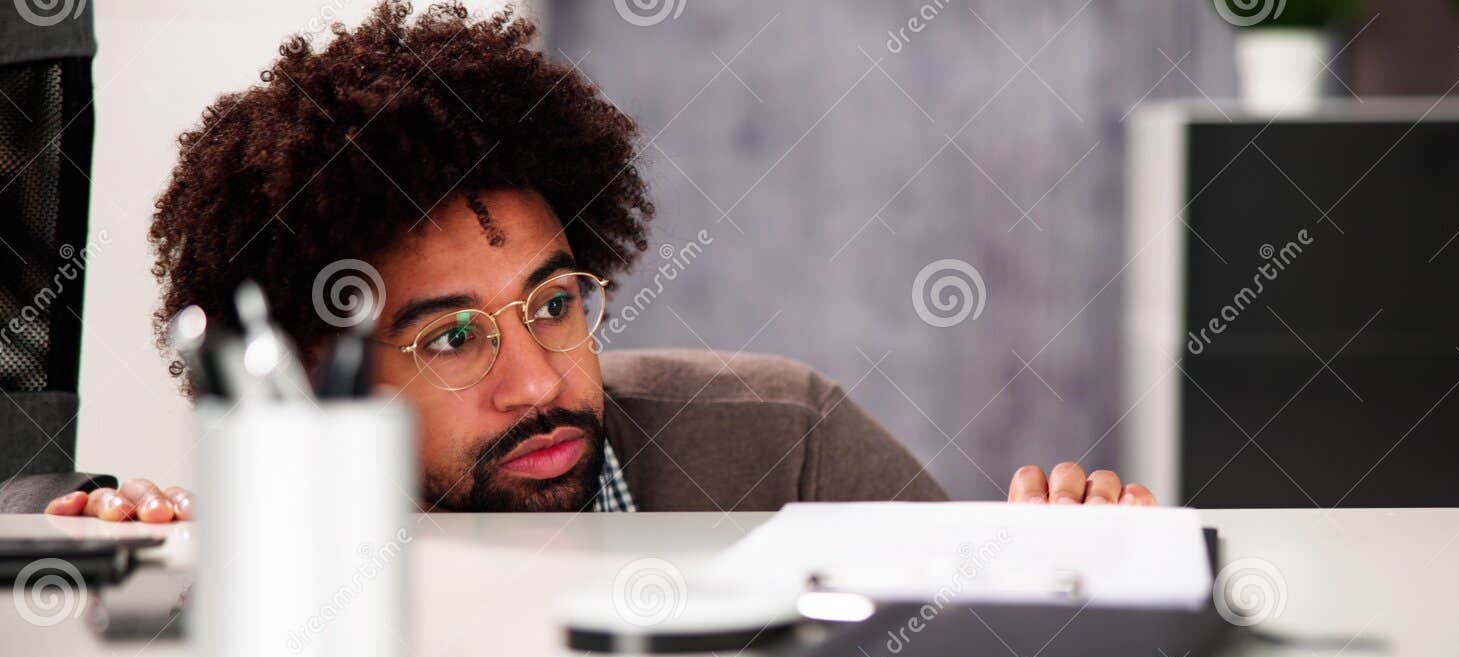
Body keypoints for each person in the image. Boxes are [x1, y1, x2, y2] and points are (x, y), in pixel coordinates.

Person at [46, 1, 1154, 522]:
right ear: (322, 373)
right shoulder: (272, 547)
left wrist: (1066, 580)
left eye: (554, 302)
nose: (538, 382)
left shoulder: (782, 446)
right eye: (450, 337)